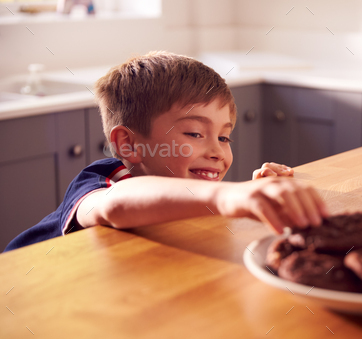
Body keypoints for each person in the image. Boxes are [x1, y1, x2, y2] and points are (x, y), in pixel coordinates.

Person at [4, 51, 328, 252]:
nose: (217, 152)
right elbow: (116, 205)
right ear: (128, 145)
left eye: (225, 137)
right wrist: (230, 196)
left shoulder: (183, 180)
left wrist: (257, 192)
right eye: (195, 133)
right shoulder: (100, 183)